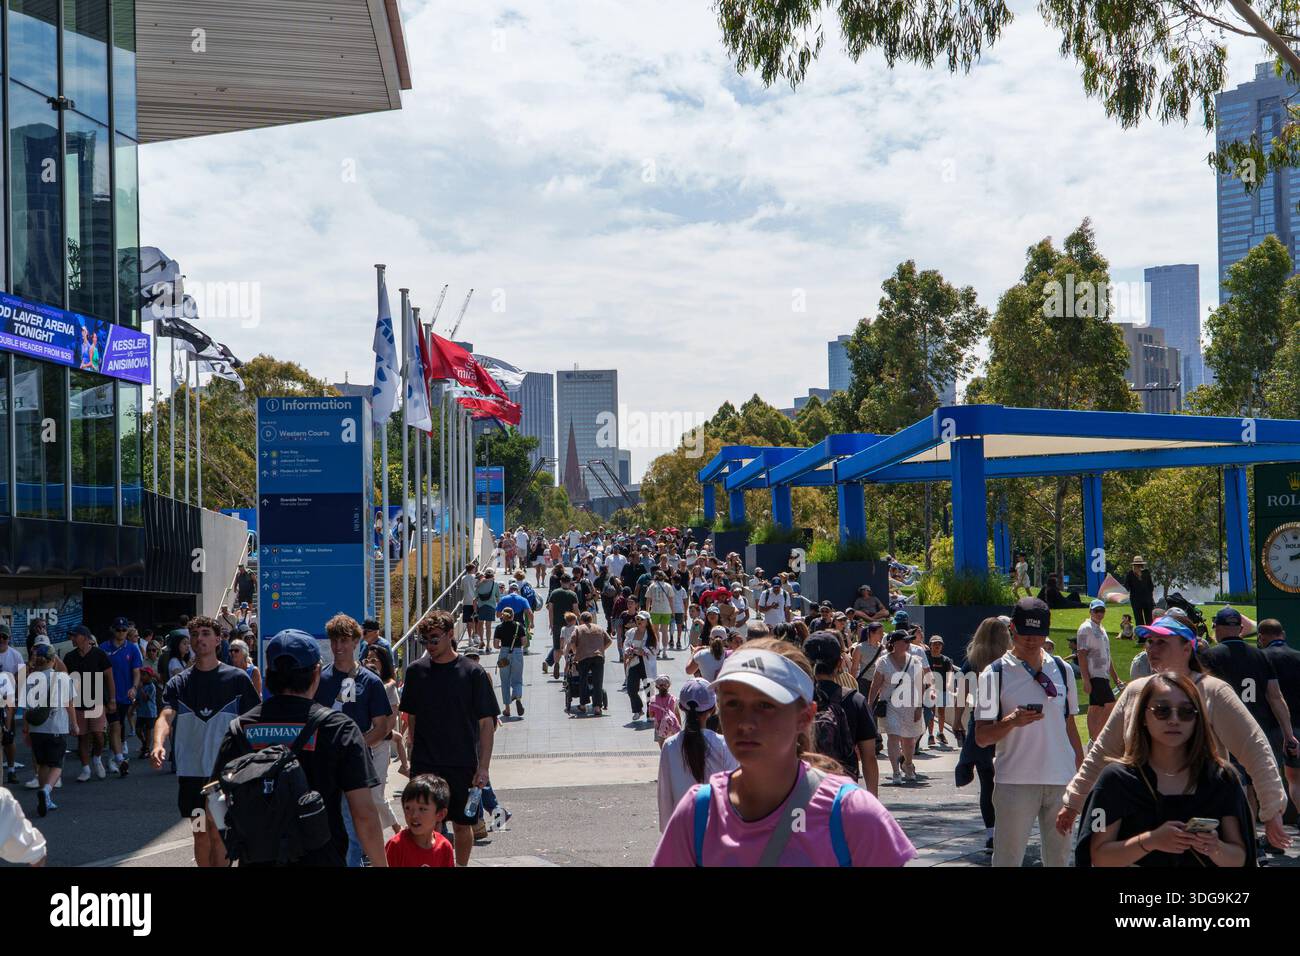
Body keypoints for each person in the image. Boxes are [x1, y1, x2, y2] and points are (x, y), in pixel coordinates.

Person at [651, 638, 915, 867]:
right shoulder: (697, 813)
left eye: (765, 705)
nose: (745, 722)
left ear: (805, 717)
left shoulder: (854, 814)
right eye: (732, 703)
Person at [1060, 614, 1294, 857]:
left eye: (1162, 642)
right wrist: (1073, 801)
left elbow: (1254, 748)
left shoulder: (1213, 691)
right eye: (1149, 642)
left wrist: (1272, 811)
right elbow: (1102, 752)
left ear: (1186, 648)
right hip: (1140, 816)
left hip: (1200, 818)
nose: (1152, 648)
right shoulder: (1135, 692)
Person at [211, 628, 386, 867]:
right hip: (323, 858)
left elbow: (217, 808)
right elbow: (364, 814)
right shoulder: (339, 728)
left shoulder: (240, 729)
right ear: (316, 673)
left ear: (269, 673)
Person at [1074, 671, 1251, 868]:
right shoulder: (1115, 780)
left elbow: (1239, 857)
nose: (1174, 720)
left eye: (1186, 712)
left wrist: (1215, 846)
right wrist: (1151, 841)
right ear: (1142, 716)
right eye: (1162, 710)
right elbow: (1098, 857)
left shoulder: (1222, 778)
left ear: (1197, 719)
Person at [975, 597, 1084, 868]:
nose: (1031, 640)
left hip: (1061, 779)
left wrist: (1081, 773)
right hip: (1015, 782)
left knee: (1059, 860)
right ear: (1012, 629)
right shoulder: (993, 674)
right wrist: (1012, 721)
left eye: (1038, 633)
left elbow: (1069, 723)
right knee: (1007, 860)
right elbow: (981, 737)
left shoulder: (1063, 669)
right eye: (1025, 633)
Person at [150, 615, 259, 867]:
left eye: (206, 634)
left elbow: (255, 722)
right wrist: (158, 744)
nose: (200, 639)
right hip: (191, 775)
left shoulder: (237, 679)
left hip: (226, 774)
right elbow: (165, 716)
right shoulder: (180, 682)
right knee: (199, 833)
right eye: (195, 635)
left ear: (218, 639)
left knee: (220, 833)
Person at [399, 611, 499, 866]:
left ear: (450, 635)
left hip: (461, 762)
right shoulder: (415, 672)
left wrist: (483, 767)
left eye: (434, 639)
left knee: (463, 824)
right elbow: (412, 718)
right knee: (425, 825)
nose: (430, 646)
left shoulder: (473, 673)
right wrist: (410, 758)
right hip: (425, 761)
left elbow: (487, 724)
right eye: (425, 641)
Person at [314, 613, 395, 867]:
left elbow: (382, 727)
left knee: (354, 826)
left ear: (356, 642)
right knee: (324, 825)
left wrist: (355, 745)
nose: (338, 647)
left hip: (356, 765)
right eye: (334, 641)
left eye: (344, 641)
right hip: (323, 765)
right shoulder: (319, 679)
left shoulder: (370, 681)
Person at [954, 616, 1014, 852]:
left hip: (980, 723)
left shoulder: (972, 661)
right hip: (1007, 723)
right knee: (1009, 782)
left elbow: (962, 693)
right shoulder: (1010, 662)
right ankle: (1007, 830)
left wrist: (958, 718)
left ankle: (991, 833)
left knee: (987, 783)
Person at [804, 633, 880, 794]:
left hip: (804, 792)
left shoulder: (794, 699)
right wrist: (872, 801)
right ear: (839, 663)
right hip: (843, 791)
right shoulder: (855, 700)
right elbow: (869, 757)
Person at [656, 678, 736, 831]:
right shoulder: (724, 744)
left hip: (682, 832)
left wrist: (668, 834)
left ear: (680, 707)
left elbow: (665, 797)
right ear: (713, 709)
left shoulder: (670, 746)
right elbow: (732, 794)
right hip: (718, 831)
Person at [21, 642, 78, 817]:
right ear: (53, 660)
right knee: (57, 764)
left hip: (37, 729)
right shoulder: (62, 678)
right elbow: (69, 704)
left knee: (43, 763)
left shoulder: (30, 679)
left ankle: (46, 797)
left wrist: (26, 730)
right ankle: (46, 791)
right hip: (56, 727)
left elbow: (26, 708)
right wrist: (74, 724)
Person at [867, 629, 928, 784]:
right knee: (893, 736)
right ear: (894, 643)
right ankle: (895, 772)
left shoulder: (915, 662)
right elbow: (875, 685)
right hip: (890, 705)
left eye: (909, 641)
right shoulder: (883, 662)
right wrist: (868, 705)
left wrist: (920, 707)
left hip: (910, 705)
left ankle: (907, 764)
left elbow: (921, 685)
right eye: (905, 641)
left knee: (909, 741)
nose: (908, 644)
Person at [63, 624, 113, 783]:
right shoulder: (69, 657)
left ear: (84, 637)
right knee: (82, 737)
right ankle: (85, 768)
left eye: (75, 635)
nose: (72, 639)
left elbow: (109, 678)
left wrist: (112, 699)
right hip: (77, 702)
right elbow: (65, 681)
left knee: (99, 735)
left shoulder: (99, 654)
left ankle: (97, 758)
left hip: (97, 700)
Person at [363, 644, 403, 835]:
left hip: (380, 745)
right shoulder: (360, 684)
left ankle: (396, 828)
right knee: (365, 794)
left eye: (374, 660)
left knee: (375, 795)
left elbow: (390, 721)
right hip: (362, 746)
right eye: (367, 659)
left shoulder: (389, 687)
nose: (370, 663)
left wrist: (375, 738)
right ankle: (376, 833)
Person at [1077, 599, 1123, 742]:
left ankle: (1093, 739)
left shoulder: (1102, 629)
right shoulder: (1085, 628)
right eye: (1096, 610)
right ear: (1090, 611)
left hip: (1103, 675)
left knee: (1095, 707)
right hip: (1094, 674)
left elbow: (1107, 657)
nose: (1099, 613)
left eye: (1101, 610)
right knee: (1111, 705)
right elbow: (1081, 654)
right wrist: (1086, 680)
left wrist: (1116, 679)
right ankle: (1098, 738)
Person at [386, 774, 456, 867]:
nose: (414, 815)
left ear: (440, 814)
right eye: (408, 808)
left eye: (422, 809)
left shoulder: (444, 847)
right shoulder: (396, 846)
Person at [494, 607, 528, 718]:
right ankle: (517, 697)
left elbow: (495, 645)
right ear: (513, 615)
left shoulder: (499, 628)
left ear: (502, 616)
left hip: (504, 654)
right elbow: (524, 642)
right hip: (517, 653)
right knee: (517, 679)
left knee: (505, 681)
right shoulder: (519, 626)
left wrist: (501, 647)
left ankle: (507, 709)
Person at [545, 576, 580, 679]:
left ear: (561, 581)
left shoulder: (554, 593)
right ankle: (568, 664)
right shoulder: (572, 594)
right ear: (569, 582)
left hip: (557, 623)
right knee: (571, 645)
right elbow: (576, 610)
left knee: (557, 646)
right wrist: (580, 621)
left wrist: (551, 623)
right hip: (570, 624)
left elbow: (550, 609)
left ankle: (556, 663)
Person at [925, 635, 955, 748]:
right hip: (929, 690)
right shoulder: (926, 658)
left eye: (939, 644)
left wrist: (948, 684)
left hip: (942, 689)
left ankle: (941, 733)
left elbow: (950, 674)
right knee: (931, 713)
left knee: (941, 712)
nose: (937, 646)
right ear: (930, 646)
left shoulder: (946, 660)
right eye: (934, 644)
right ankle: (931, 735)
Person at [0, 626, 22, 777]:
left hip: (8, 700)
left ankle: (11, 769)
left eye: (4, 637)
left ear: (9, 638)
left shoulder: (15, 655)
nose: (1, 639)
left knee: (8, 737)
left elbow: (21, 677)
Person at [133, 666, 160, 760]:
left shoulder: (151, 687)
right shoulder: (140, 685)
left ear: (149, 676)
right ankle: (144, 743)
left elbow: (146, 699)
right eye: (141, 674)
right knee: (138, 730)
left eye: (144, 674)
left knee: (148, 731)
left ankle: (147, 749)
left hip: (150, 713)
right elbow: (137, 699)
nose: (141, 676)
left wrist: (140, 689)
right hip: (141, 712)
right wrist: (132, 708)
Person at [648, 676, 682, 748]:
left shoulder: (653, 700)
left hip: (659, 727)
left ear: (657, 687)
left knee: (663, 748)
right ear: (669, 685)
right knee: (673, 747)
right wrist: (679, 727)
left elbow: (651, 715)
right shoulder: (673, 699)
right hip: (672, 726)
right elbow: (677, 714)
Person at [1124, 555, 1156, 626]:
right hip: (1136, 601)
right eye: (1136, 564)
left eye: (1139, 564)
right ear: (1134, 565)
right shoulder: (1130, 574)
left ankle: (1150, 635)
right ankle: (1141, 636)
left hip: (1147, 600)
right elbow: (1126, 586)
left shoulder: (1146, 572)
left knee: (1149, 619)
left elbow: (1151, 586)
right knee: (1139, 619)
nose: (1138, 566)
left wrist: (1151, 598)